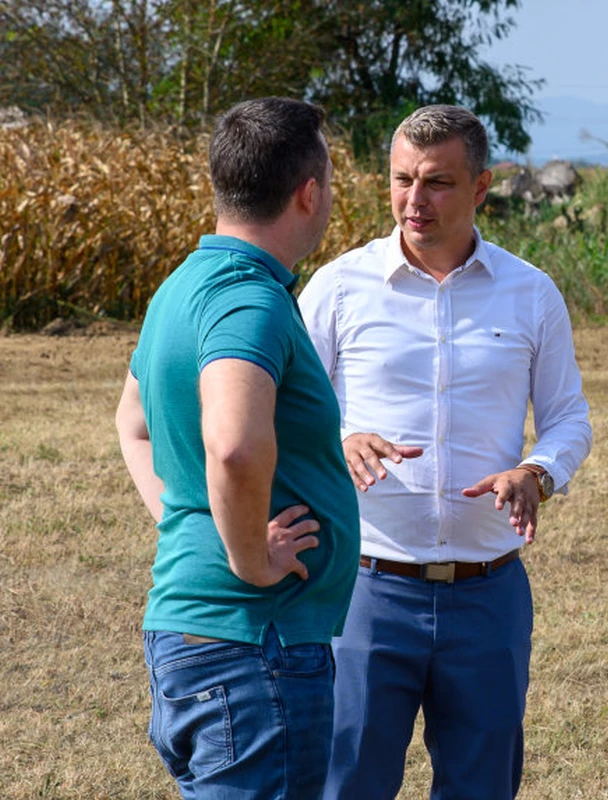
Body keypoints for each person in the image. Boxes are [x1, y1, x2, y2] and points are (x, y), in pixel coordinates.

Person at [298, 104, 593, 799]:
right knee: (348, 784)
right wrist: (339, 439)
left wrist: (536, 473)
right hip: (366, 589)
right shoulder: (339, 288)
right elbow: (287, 409)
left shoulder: (531, 293)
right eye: (402, 180)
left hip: (488, 593)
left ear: (482, 187)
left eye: (437, 182)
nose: (414, 200)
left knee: (482, 786)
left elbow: (567, 418)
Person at [114, 97, 360, 799]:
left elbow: (133, 422)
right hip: (255, 649)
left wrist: (186, 519)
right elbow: (234, 446)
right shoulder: (246, 299)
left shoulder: (180, 287)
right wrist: (251, 558)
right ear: (308, 192)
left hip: (199, 638)